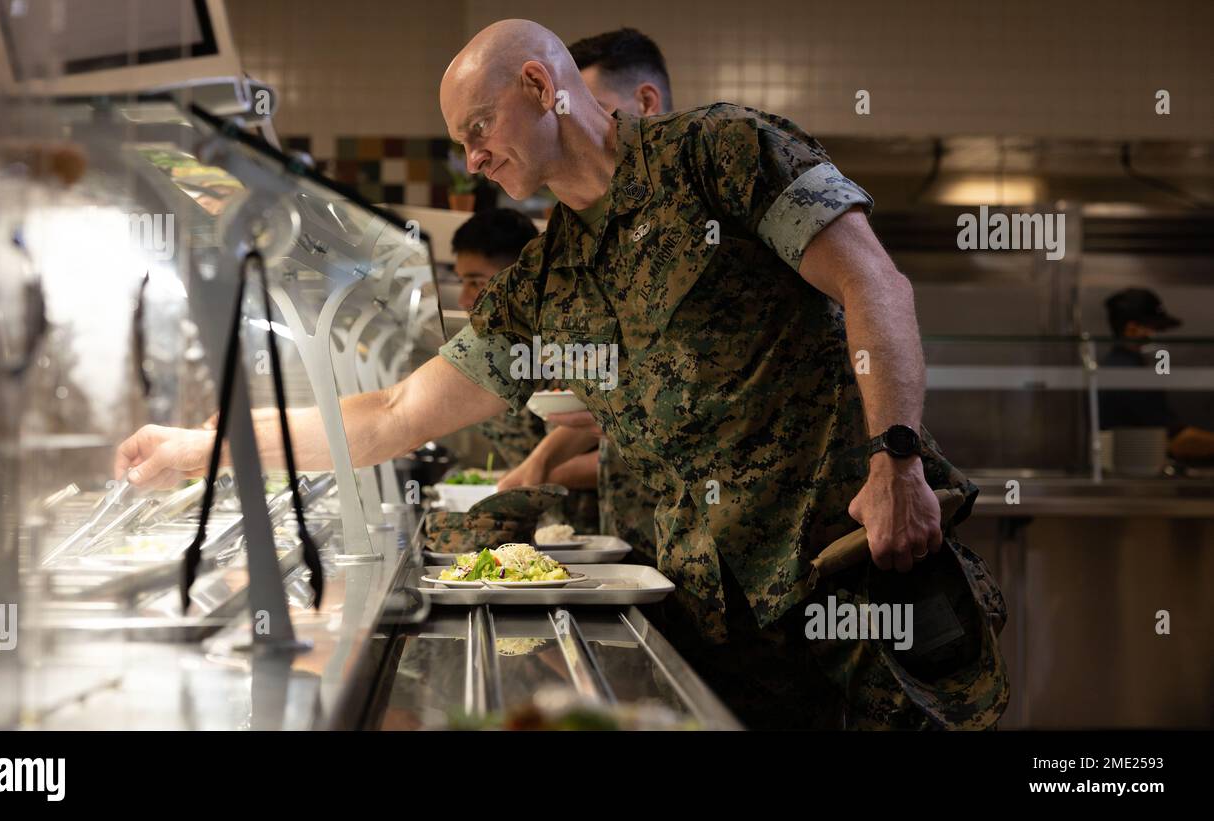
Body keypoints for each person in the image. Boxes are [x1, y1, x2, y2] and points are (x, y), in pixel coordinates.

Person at [116, 19, 1006, 729]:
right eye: (461, 141)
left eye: (478, 129)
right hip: (721, 633)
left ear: (541, 88)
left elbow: (872, 282)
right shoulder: (548, 281)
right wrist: (202, 447)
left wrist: (895, 457)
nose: (472, 158)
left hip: (858, 579)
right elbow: (393, 411)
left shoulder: (720, 152)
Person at [498, 28, 674, 566]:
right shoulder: (584, 235)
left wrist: (890, 455)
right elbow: (613, 384)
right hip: (651, 536)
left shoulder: (706, 183)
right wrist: (538, 463)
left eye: (592, 107)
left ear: (646, 103)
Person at [452, 207, 600, 529]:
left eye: (475, 282)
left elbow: (625, 449)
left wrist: (535, 472)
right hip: (547, 525)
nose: (463, 298)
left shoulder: (574, 342)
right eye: (461, 281)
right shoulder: (502, 347)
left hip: (595, 528)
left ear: (518, 276)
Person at [1099, 287, 1214, 461]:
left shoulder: (1119, 367)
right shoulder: (1130, 376)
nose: (1161, 336)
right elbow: (1177, 440)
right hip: (1136, 470)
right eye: (1157, 328)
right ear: (1132, 329)